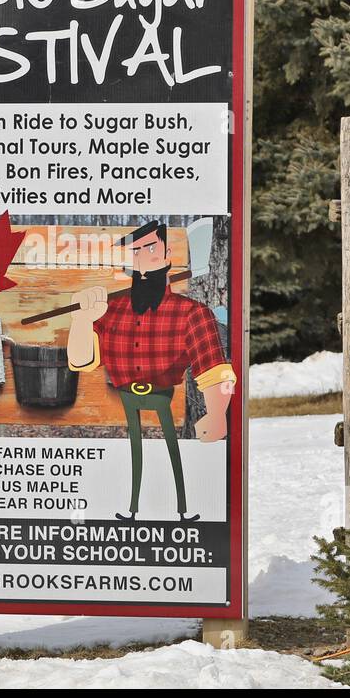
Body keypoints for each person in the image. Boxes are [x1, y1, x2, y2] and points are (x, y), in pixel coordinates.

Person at [66, 219, 236, 522]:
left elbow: (214, 369)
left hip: (162, 396)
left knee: (174, 452)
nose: (144, 259)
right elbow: (80, 360)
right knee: (134, 454)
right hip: (126, 398)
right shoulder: (111, 311)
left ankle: (183, 509)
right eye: (136, 253)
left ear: (168, 255)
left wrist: (216, 413)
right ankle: (131, 509)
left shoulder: (191, 313)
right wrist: (81, 320)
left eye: (150, 249)